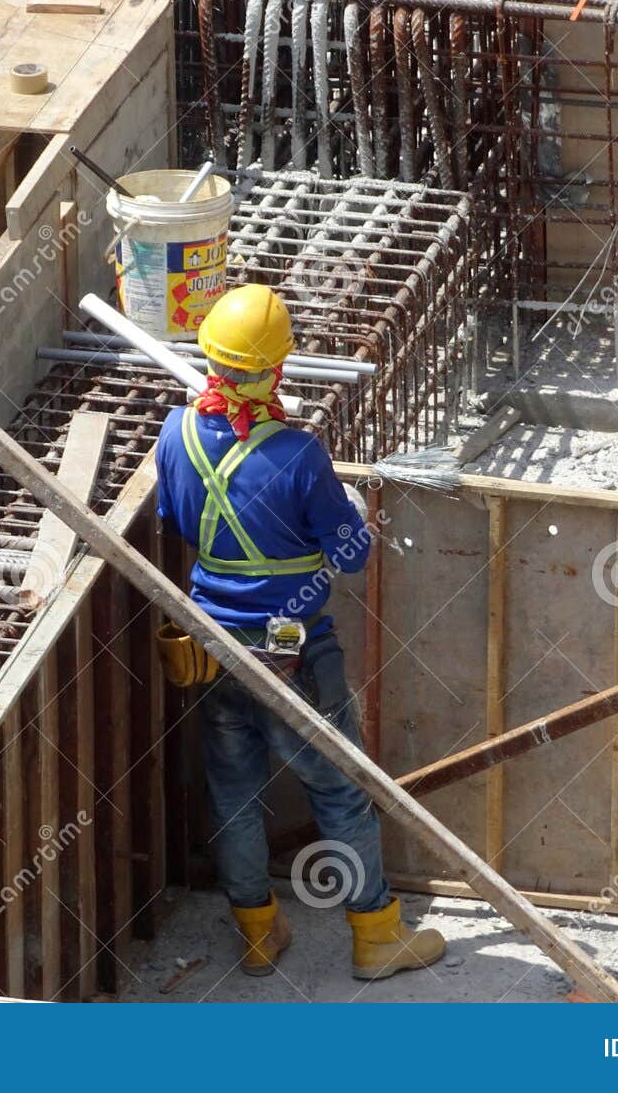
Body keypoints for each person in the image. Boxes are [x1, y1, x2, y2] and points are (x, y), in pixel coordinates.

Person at [154, 283, 446, 981]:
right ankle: (376, 934)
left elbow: (174, 525)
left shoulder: (175, 433)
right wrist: (340, 504)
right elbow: (350, 556)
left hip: (213, 645)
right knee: (340, 788)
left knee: (232, 790)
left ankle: (258, 932)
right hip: (291, 651)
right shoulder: (298, 455)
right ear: (276, 368)